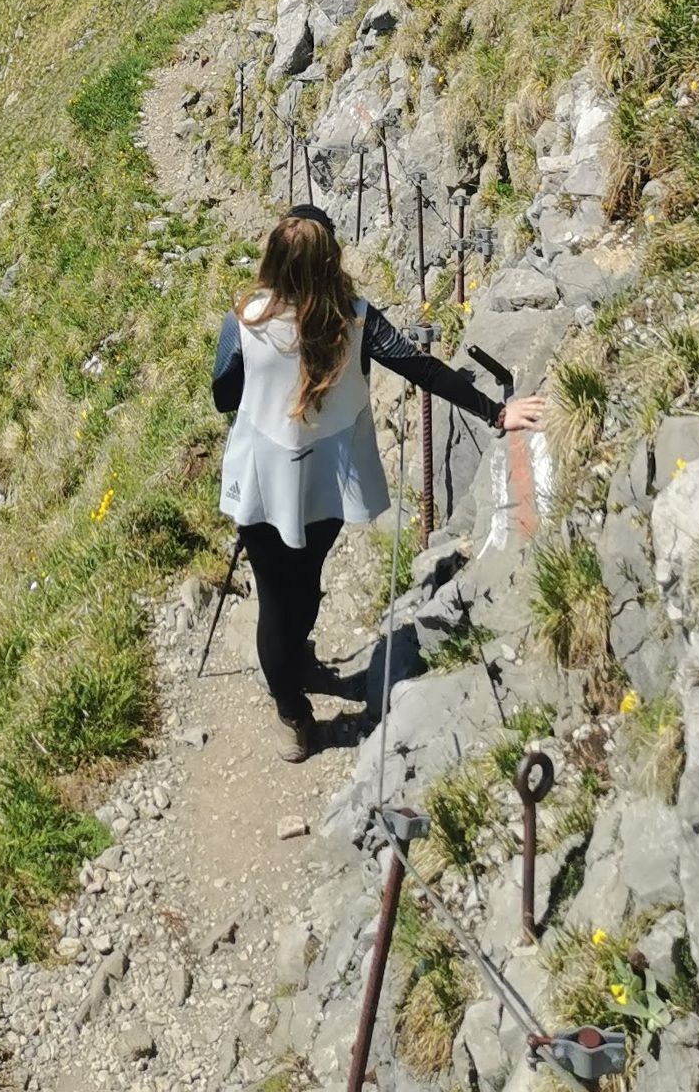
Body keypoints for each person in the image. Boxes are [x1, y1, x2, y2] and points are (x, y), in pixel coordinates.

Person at [212, 204, 546, 758]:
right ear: (331, 261)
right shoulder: (358, 319)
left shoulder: (244, 319)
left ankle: (294, 716)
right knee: (306, 579)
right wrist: (495, 413)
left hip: (264, 480)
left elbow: (223, 393)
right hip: (329, 480)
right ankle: (298, 662)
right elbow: (421, 368)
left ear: (271, 260)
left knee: (274, 598)